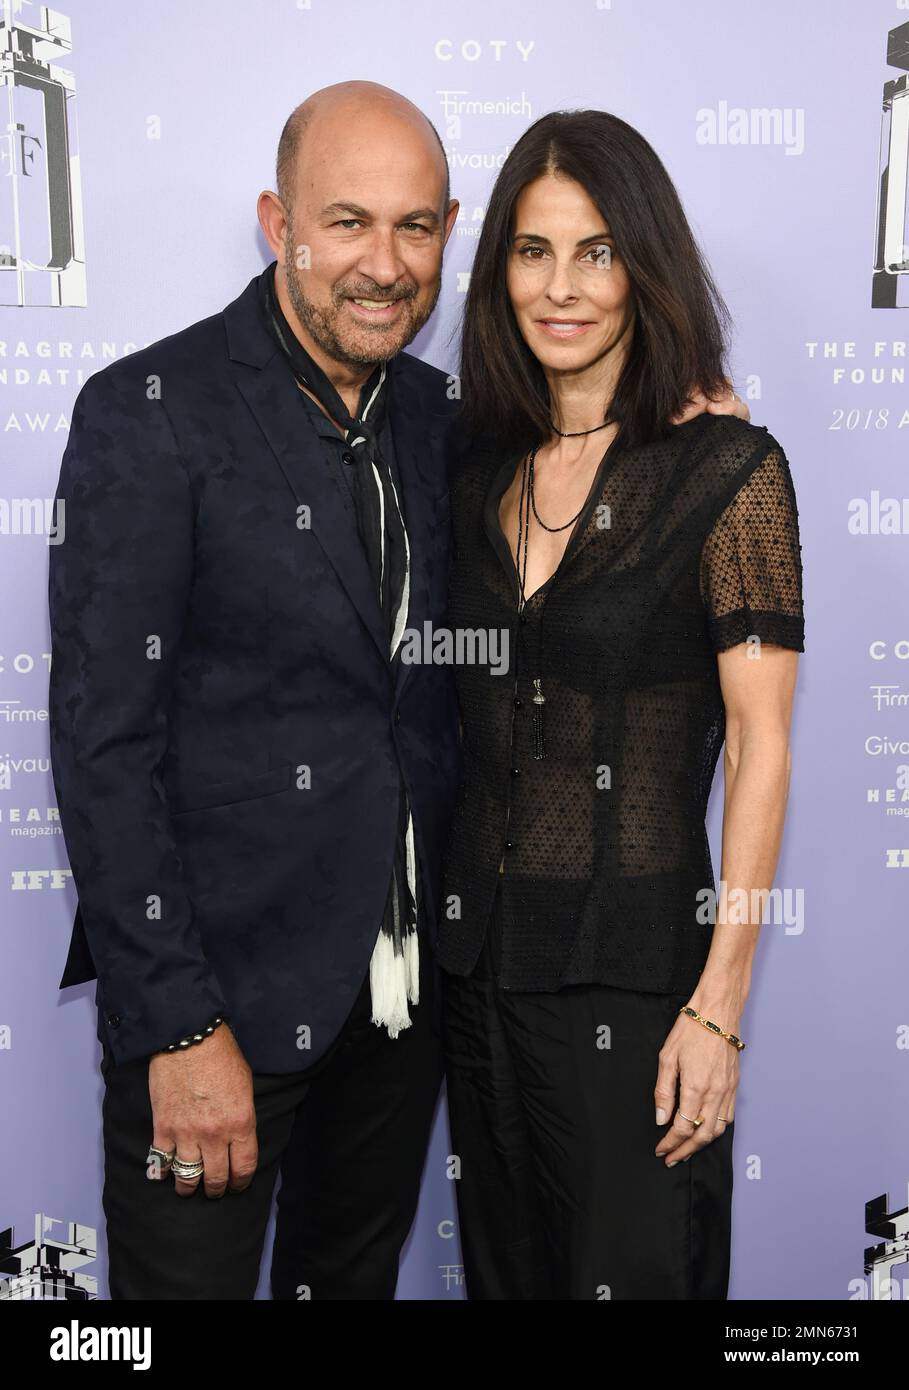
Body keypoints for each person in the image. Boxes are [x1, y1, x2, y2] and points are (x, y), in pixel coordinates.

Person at [48, 80, 747, 1302]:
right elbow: (103, 745)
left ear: (450, 231)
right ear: (281, 224)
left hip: (405, 1014)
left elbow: (588, 485)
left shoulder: (452, 423)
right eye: (350, 223)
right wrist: (173, 1024)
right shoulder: (150, 414)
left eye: (417, 227)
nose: (384, 264)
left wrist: (686, 423)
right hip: (220, 1013)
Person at [438, 109, 805, 1300]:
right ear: (499, 270)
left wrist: (722, 1005)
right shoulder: (474, 463)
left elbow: (759, 745)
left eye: (598, 251)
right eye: (534, 251)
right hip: (479, 980)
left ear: (645, 262)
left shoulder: (728, 471)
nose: (563, 287)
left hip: (641, 987)